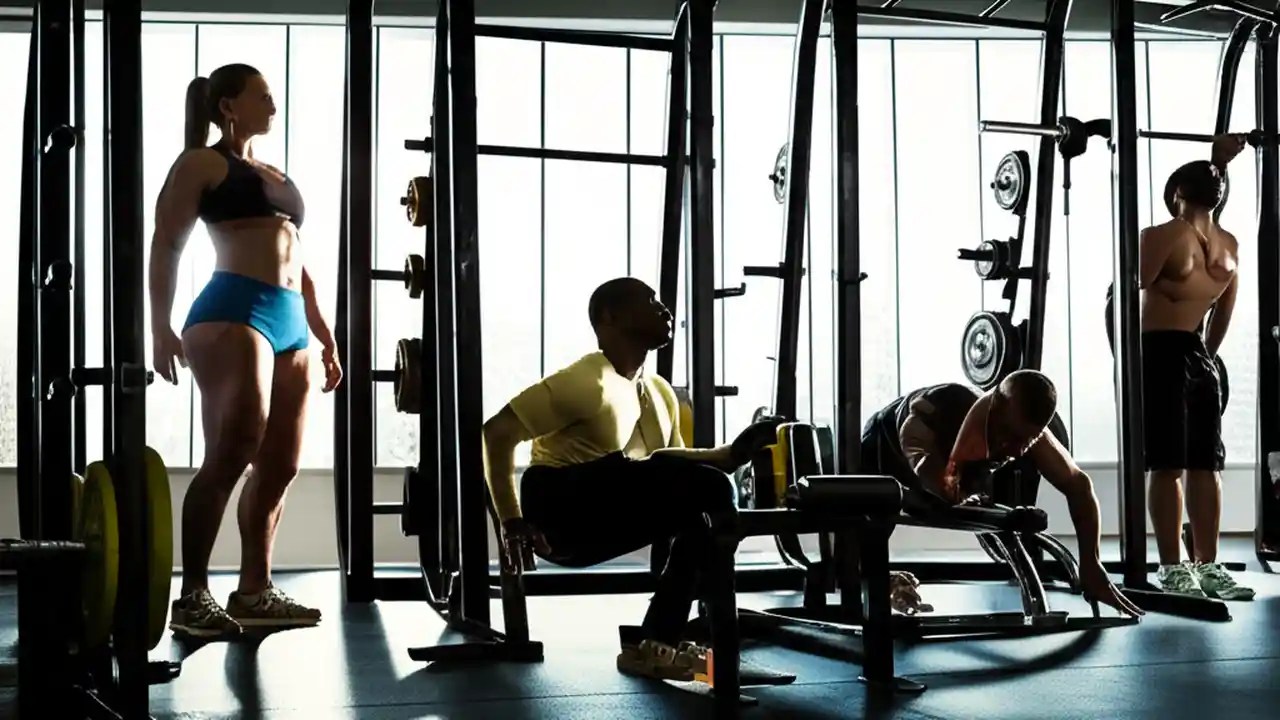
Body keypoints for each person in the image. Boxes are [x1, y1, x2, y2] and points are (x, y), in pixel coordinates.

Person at [482, 277, 783, 681]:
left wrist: (734, 453)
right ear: (609, 318)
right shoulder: (587, 379)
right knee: (709, 488)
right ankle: (711, 637)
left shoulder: (658, 391)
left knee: (702, 511)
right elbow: (496, 434)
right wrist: (511, 521)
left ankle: (657, 643)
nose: (664, 308)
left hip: (607, 503)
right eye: (649, 300)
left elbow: (668, 462)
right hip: (556, 510)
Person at [149, 63, 344, 639]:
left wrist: (326, 335)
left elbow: (299, 262)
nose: (273, 107)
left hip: (289, 323)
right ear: (229, 106)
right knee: (231, 453)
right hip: (233, 312)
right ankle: (193, 596)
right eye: (263, 96)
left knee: (280, 466)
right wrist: (159, 326)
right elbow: (166, 241)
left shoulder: (274, 173)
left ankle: (254, 590)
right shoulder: (202, 163)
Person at [860, 371, 1145, 619]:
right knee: (859, 550)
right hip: (882, 450)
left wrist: (1091, 564)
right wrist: (958, 485)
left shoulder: (1024, 429)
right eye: (1009, 435)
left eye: (1027, 440)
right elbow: (930, 477)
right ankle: (875, 577)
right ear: (994, 407)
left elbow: (1079, 487)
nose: (1018, 450)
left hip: (953, 463)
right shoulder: (930, 412)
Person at [1136, 133, 1254, 600]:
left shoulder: (1161, 235)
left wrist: (1123, 360)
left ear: (1175, 195)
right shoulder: (1228, 246)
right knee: (1206, 466)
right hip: (1201, 355)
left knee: (1167, 464)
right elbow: (1222, 319)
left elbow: (1126, 293)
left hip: (1158, 351)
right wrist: (1205, 354)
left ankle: (1172, 568)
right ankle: (1207, 564)